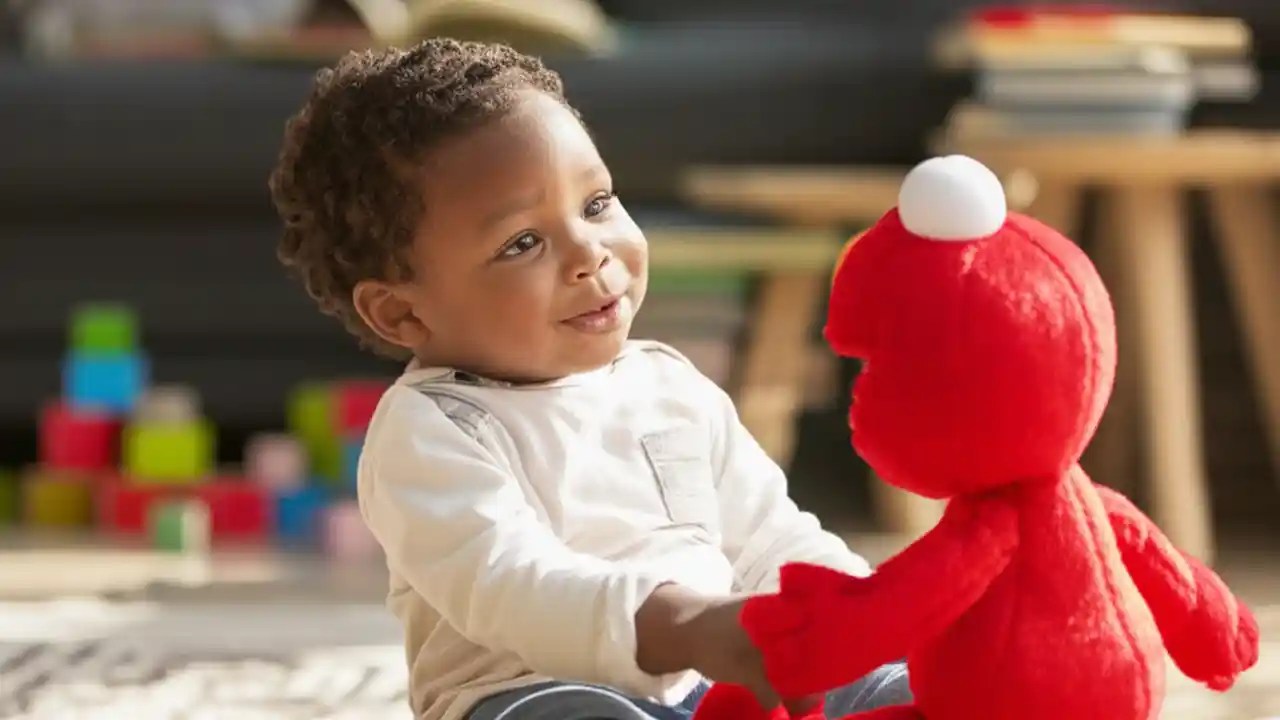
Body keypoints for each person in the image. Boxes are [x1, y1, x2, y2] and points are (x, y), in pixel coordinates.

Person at [268, 37, 910, 720]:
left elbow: (772, 539)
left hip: (713, 682)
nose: (588, 252)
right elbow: (516, 586)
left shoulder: (670, 386)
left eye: (597, 203)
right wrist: (688, 626)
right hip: (528, 692)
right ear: (401, 311)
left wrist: (859, 613)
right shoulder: (428, 433)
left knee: (901, 679)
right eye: (523, 242)